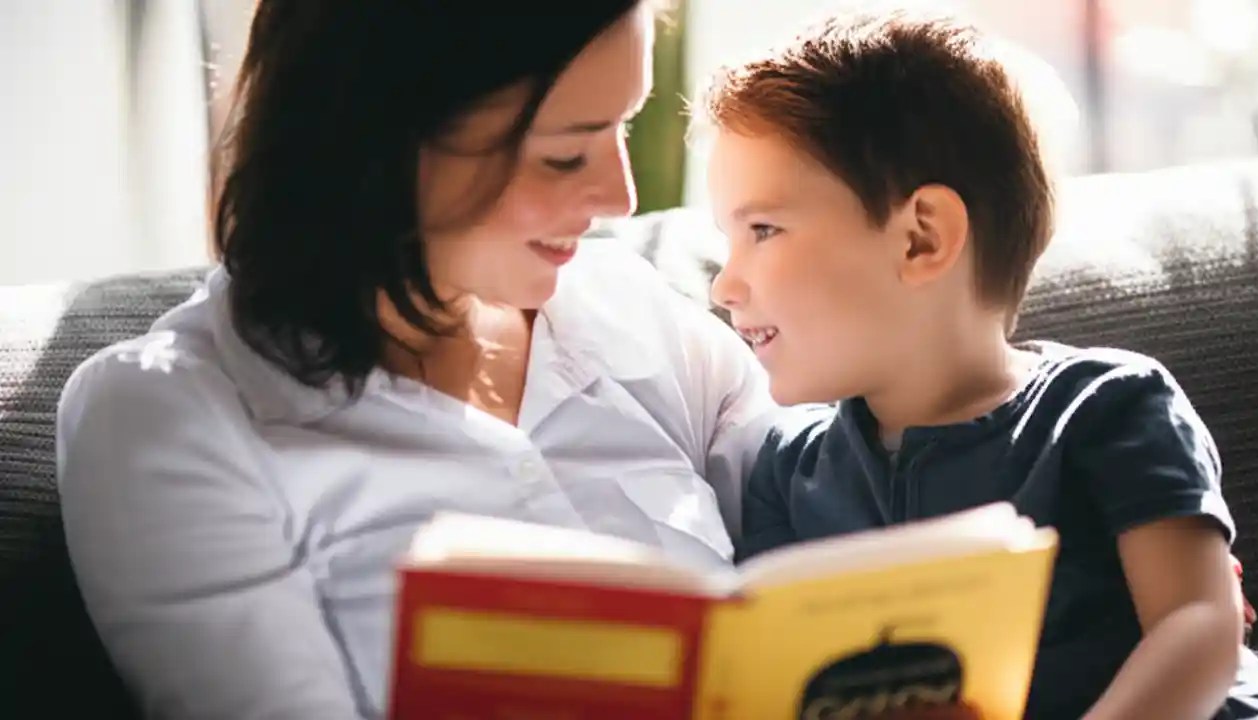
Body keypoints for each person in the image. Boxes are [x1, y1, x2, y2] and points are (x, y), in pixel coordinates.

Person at [55, 2, 777, 718]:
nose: (620, 199)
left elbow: (829, 523)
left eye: (624, 126)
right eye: (564, 153)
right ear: (382, 143)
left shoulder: (635, 310)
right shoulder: (168, 415)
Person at [700, 10, 1258, 720]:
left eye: (762, 229)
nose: (723, 285)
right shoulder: (787, 475)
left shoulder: (1107, 406)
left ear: (921, 239)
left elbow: (1200, 628)